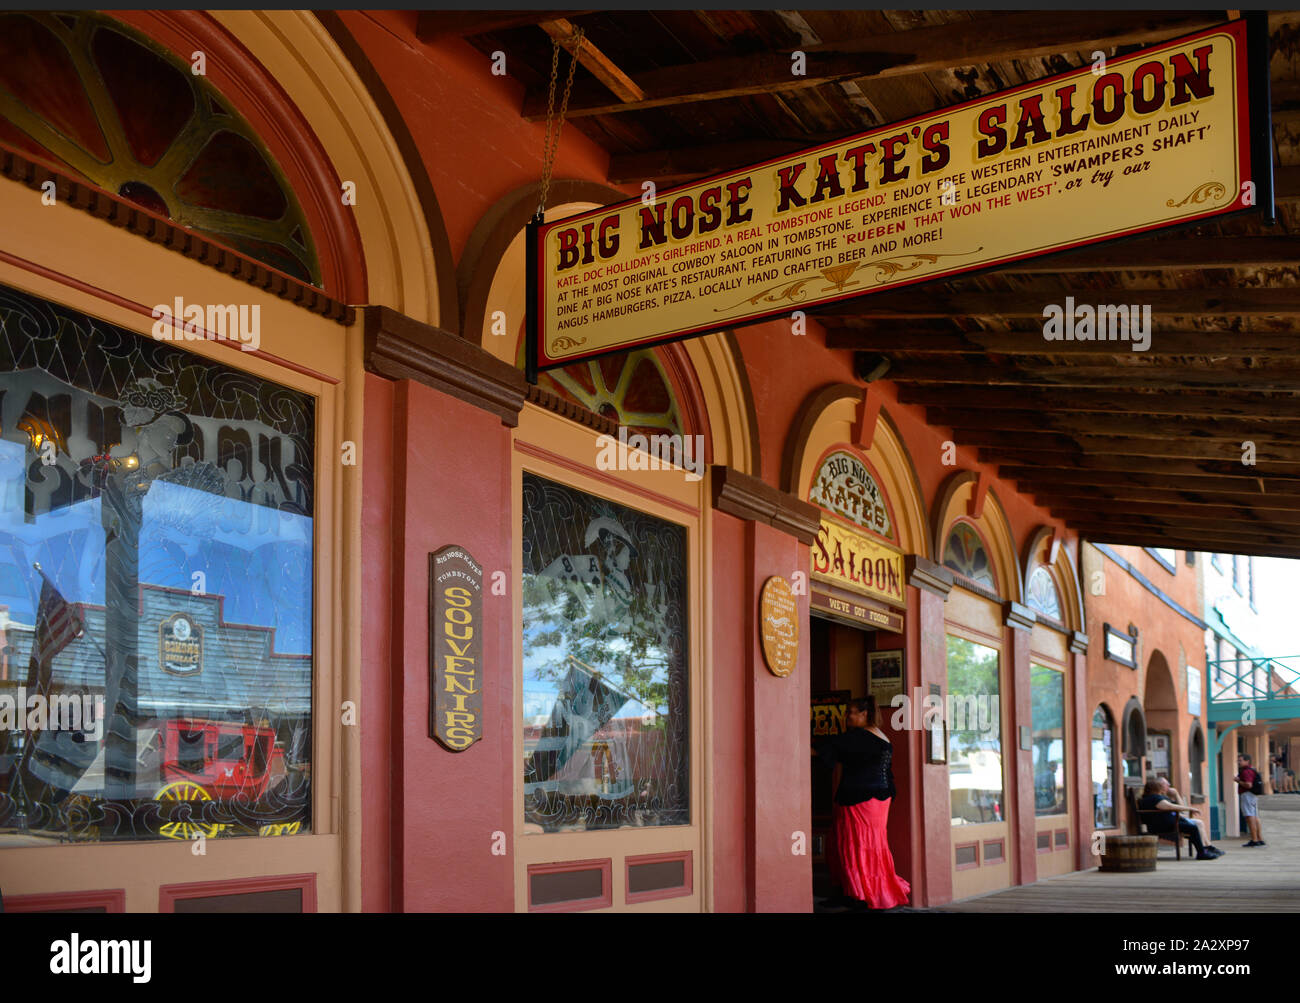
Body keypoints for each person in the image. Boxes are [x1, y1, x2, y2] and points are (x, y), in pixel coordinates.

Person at [813, 696, 910, 909]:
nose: (847, 716)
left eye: (851, 712)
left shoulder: (859, 736)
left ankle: (859, 894)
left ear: (864, 714)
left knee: (854, 844)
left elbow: (829, 749)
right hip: (880, 798)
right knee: (870, 845)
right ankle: (862, 892)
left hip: (860, 798)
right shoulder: (882, 736)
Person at [1137, 779, 1221, 859]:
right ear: (1156, 789)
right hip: (1164, 825)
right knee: (1193, 828)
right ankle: (1201, 853)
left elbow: (1171, 806)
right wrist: (1190, 809)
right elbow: (1169, 806)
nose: (1162, 789)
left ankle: (1204, 850)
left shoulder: (1149, 798)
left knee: (1192, 827)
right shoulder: (1154, 798)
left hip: (1163, 823)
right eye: (1160, 787)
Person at [1236, 753, 1265, 846]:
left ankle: (1254, 839)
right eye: (1238, 760)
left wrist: (1238, 781)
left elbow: (1248, 785)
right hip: (1252, 795)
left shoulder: (1246, 771)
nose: (1238, 762)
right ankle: (1259, 838)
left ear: (1247, 761)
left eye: (1240, 760)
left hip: (1247, 794)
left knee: (1250, 816)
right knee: (1255, 817)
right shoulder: (1252, 770)